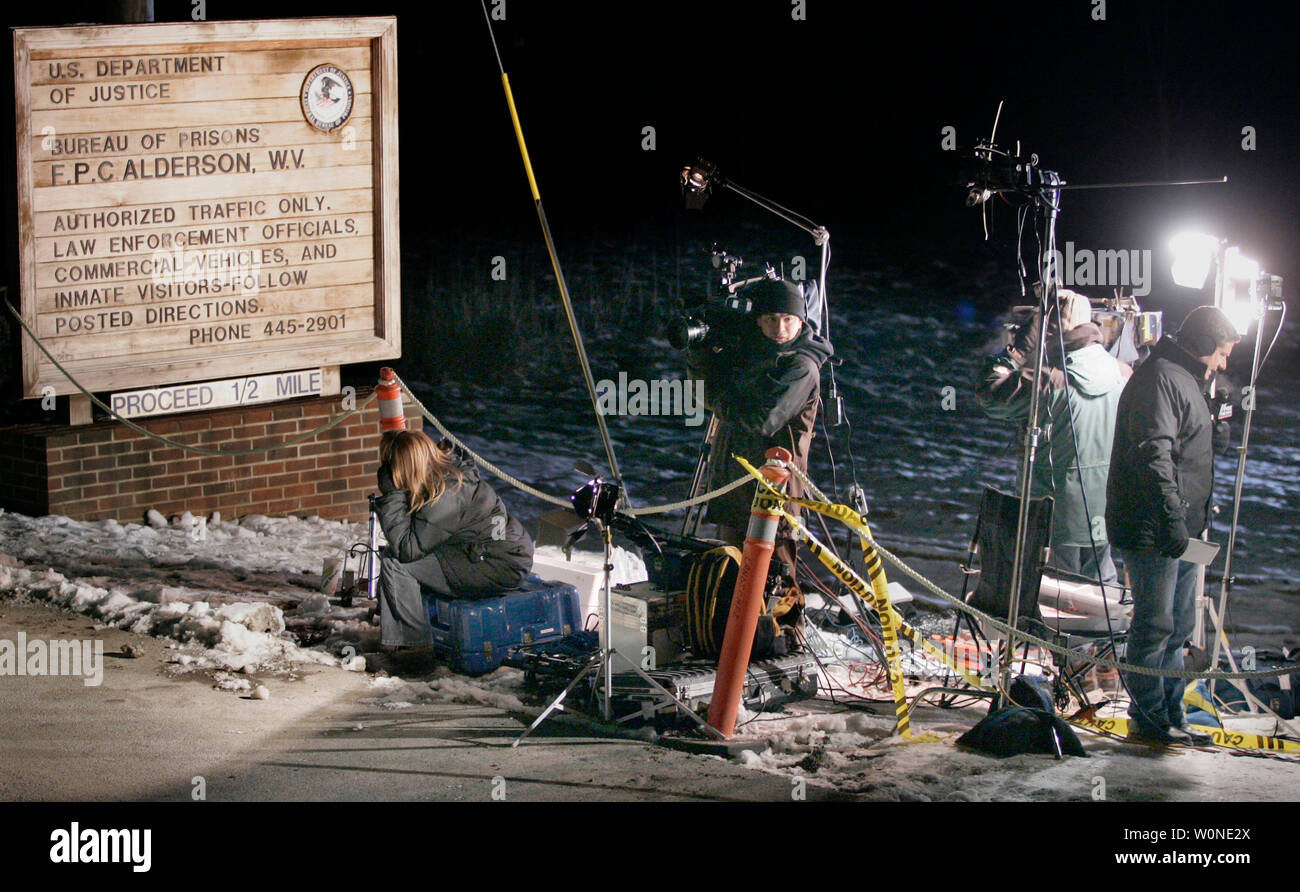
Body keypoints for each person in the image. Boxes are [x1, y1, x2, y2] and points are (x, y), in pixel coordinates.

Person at [1106, 305, 1240, 746]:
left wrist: (1219, 415)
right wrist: (1171, 522)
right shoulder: (1161, 378)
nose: (1223, 363)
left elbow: (1195, 449)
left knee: (1181, 624)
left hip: (1184, 529)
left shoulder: (1190, 380)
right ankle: (1147, 719)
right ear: (1203, 345)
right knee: (1155, 623)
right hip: (1154, 530)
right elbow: (1153, 455)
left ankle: (1171, 713)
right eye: (1221, 353)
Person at [976, 289, 1130, 586]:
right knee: (1100, 601)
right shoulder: (1121, 372)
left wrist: (1021, 349)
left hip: (1053, 520)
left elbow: (989, 394)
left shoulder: (1048, 380)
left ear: (1052, 328)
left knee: (1052, 607)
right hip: (1104, 515)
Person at [689, 278, 833, 585]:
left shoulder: (802, 366)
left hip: (774, 493)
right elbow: (704, 389)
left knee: (775, 586)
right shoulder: (753, 353)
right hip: (733, 484)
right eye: (770, 319)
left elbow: (762, 420)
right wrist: (699, 354)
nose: (780, 329)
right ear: (758, 320)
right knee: (729, 579)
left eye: (788, 320)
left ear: (801, 321)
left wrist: (720, 396)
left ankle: (787, 635)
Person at [373, 429, 534, 650]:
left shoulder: (447, 495)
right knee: (394, 557)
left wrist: (392, 494)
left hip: (498, 565)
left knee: (397, 564)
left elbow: (406, 548)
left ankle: (413, 651)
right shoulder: (444, 474)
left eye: (391, 466)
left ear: (404, 467)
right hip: (485, 553)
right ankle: (394, 634)